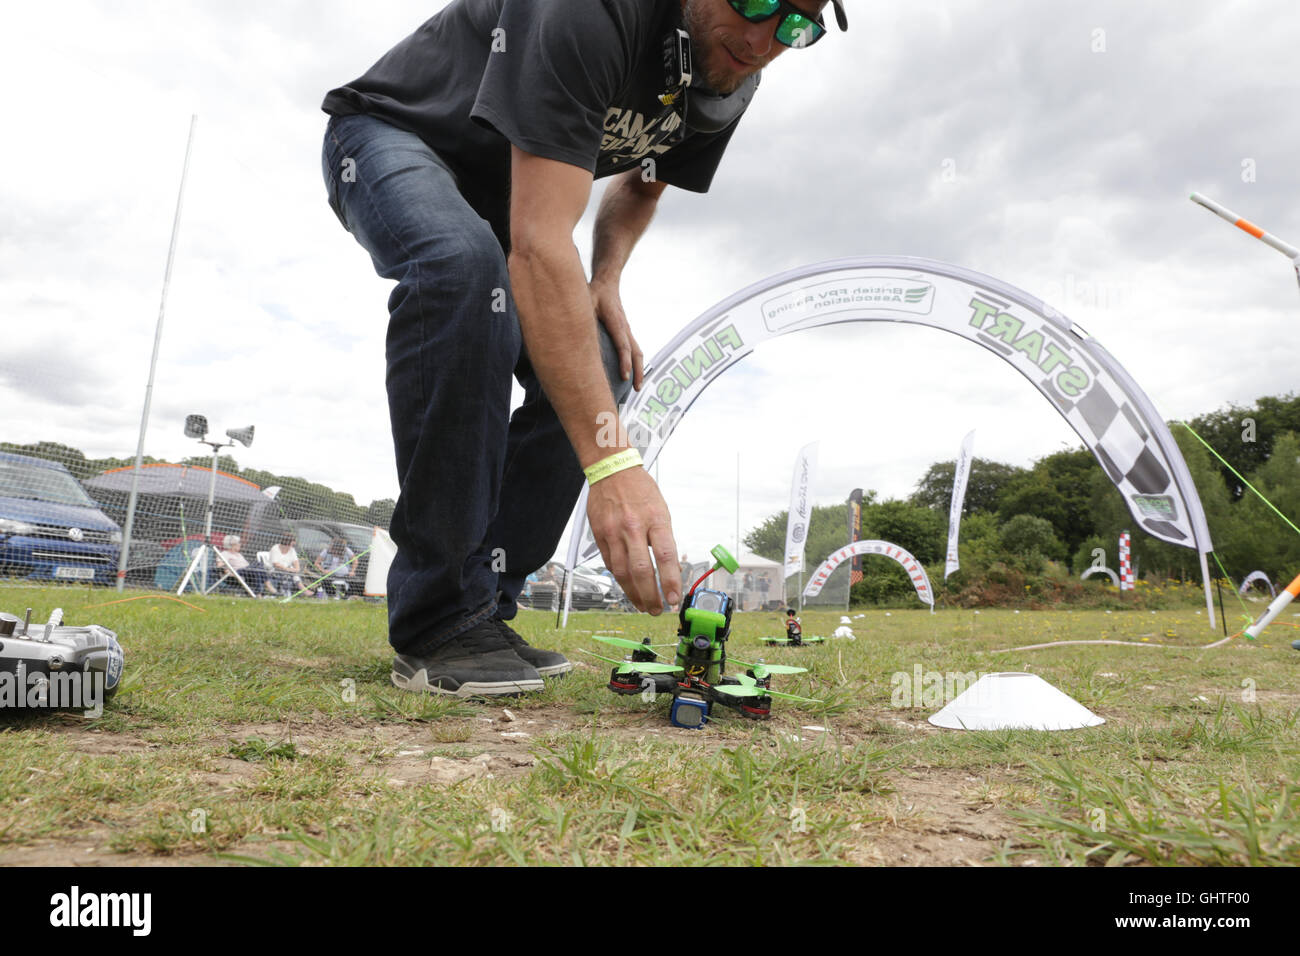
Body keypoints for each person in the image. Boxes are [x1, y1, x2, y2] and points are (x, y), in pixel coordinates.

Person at [320, 0, 849, 697]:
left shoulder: (730, 72)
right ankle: (436, 618)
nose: (762, 39)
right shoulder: (594, 11)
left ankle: (482, 604)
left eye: (796, 27)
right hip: (394, 136)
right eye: (755, 2)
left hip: (512, 200)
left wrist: (605, 281)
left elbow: (645, 179)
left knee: (599, 363)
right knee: (462, 269)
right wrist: (613, 467)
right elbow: (538, 243)